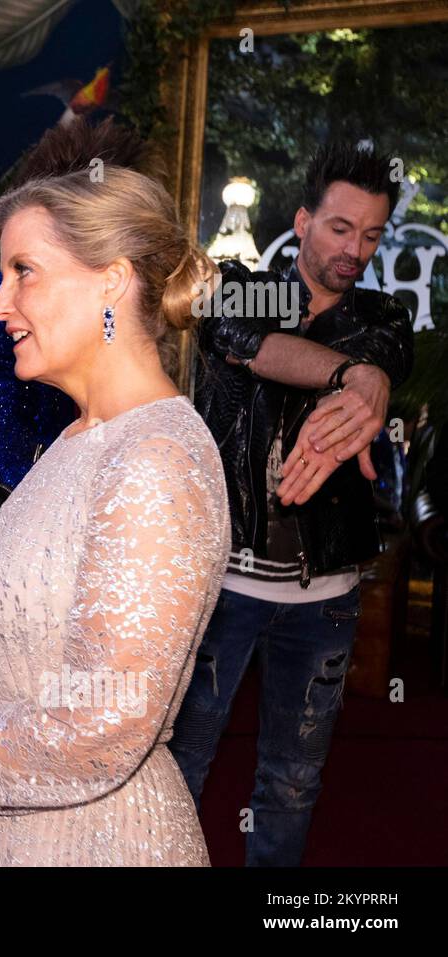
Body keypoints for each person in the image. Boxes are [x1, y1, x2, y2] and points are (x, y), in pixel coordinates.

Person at [0, 165, 231, 865]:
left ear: (111, 281)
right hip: (13, 827)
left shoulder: (155, 458)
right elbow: (18, 666)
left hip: (94, 840)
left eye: (23, 271)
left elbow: (101, 724)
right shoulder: (76, 439)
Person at [168, 140, 414, 866]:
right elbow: (242, 339)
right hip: (222, 583)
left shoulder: (383, 315)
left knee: (293, 780)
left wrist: (373, 376)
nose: (355, 249)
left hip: (326, 594)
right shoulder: (245, 285)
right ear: (303, 221)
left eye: (372, 235)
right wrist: (353, 378)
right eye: (340, 228)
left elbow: (389, 357)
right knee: (180, 763)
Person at [0, 118, 162, 572]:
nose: (2, 304)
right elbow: (15, 474)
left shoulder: (154, 452)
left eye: (24, 269)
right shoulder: (2, 314)